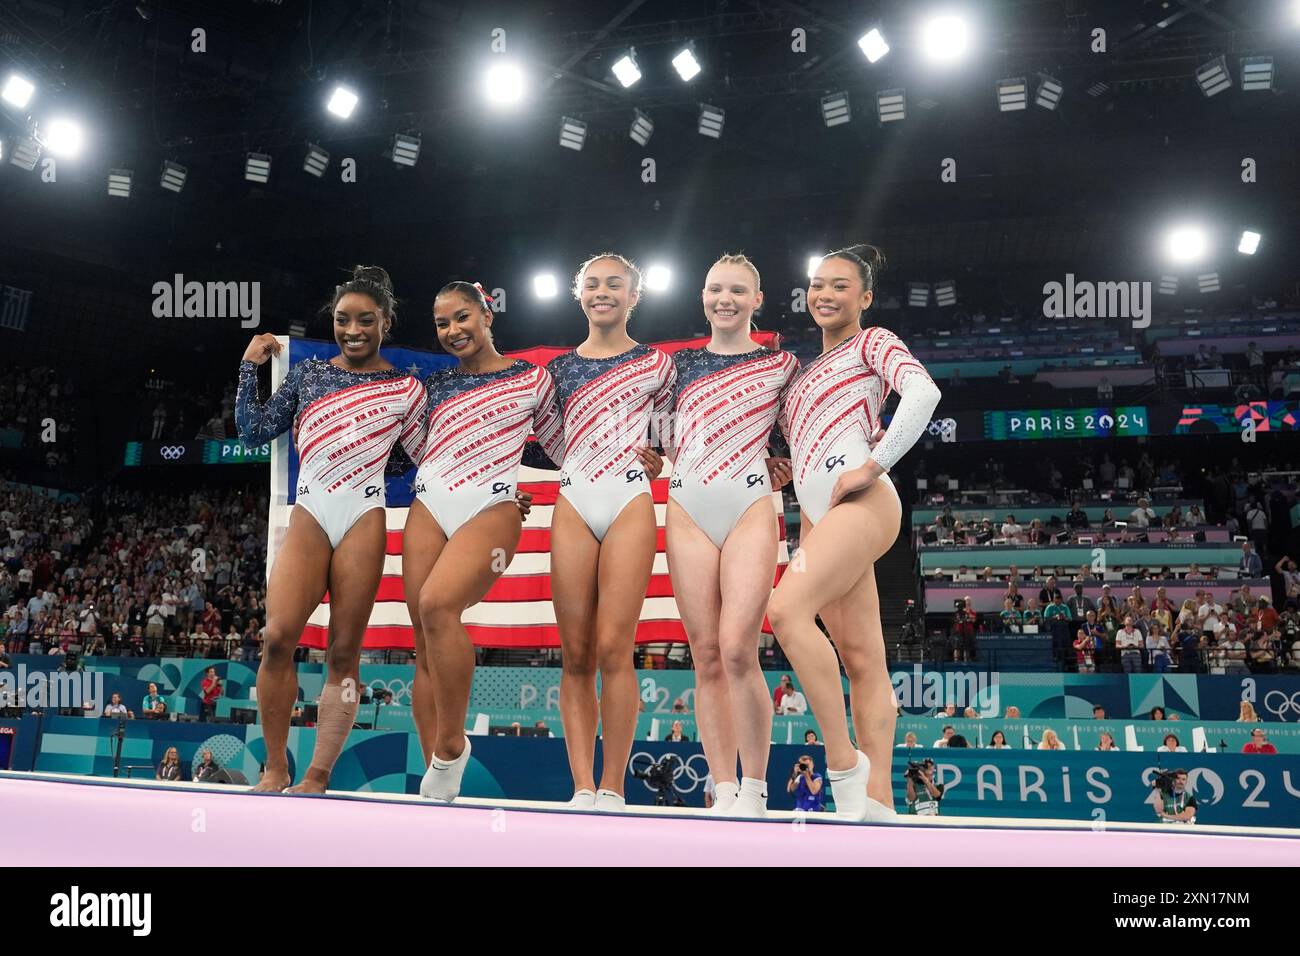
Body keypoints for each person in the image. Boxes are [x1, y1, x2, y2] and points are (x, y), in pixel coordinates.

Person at [235, 266, 427, 793]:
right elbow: (254, 431)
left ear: (385, 322)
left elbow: (417, 459)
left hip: (364, 516)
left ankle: (318, 773)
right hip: (311, 513)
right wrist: (248, 368)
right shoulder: (309, 374)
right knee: (277, 639)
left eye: (366, 320)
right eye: (343, 320)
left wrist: (504, 491)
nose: (353, 329)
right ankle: (274, 766)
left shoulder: (406, 388)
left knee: (344, 653)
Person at [765, 245, 939, 823]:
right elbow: (807, 448)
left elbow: (923, 393)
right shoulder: (800, 371)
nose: (825, 295)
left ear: (864, 298)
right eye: (818, 285)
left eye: (840, 286)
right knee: (865, 661)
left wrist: (875, 464)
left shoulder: (873, 340)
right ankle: (877, 807)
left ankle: (844, 763)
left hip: (865, 501)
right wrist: (785, 473)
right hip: (820, 514)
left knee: (786, 611)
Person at [655, 254, 801, 817]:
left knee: (741, 648)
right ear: (702, 296)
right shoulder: (677, 366)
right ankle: (724, 788)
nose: (725, 299)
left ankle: (758, 788)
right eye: (716, 289)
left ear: (756, 300)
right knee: (707, 654)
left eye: (738, 291)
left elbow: (795, 434)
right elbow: (660, 436)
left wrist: (782, 461)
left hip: (749, 508)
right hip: (688, 507)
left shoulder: (781, 365)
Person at [404, 280, 558, 803]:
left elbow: (565, 449)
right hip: (429, 504)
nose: (452, 330)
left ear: (487, 316)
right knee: (424, 643)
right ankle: (437, 776)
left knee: (437, 604)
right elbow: (411, 448)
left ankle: (451, 745)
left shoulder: (532, 379)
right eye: (442, 323)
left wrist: (644, 453)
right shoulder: (434, 387)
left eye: (462, 317)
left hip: (492, 507)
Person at [543, 253, 676, 813]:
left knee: (616, 649)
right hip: (575, 497)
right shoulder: (556, 370)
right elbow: (549, 440)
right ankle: (580, 787)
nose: (603, 292)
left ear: (633, 295)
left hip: (628, 501)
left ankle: (615, 787)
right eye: (593, 284)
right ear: (579, 295)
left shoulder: (657, 365)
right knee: (575, 655)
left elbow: (674, 440)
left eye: (614, 284)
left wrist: (656, 456)